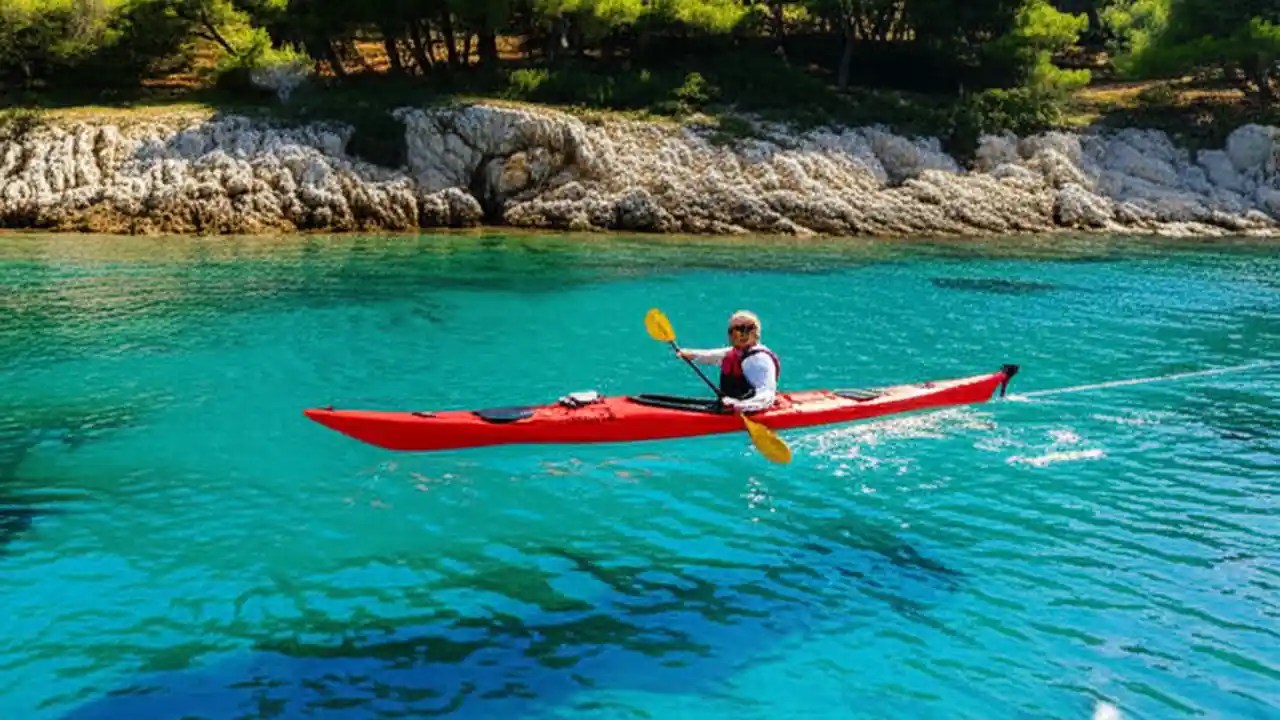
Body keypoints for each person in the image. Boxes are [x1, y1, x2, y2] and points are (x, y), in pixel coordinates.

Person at [677, 310, 781, 413]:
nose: (740, 334)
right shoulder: (738, 353)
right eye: (734, 330)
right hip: (733, 406)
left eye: (745, 329)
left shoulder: (758, 361)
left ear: (756, 332)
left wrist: (738, 405)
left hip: (750, 409)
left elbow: (766, 395)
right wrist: (690, 354)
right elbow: (713, 356)